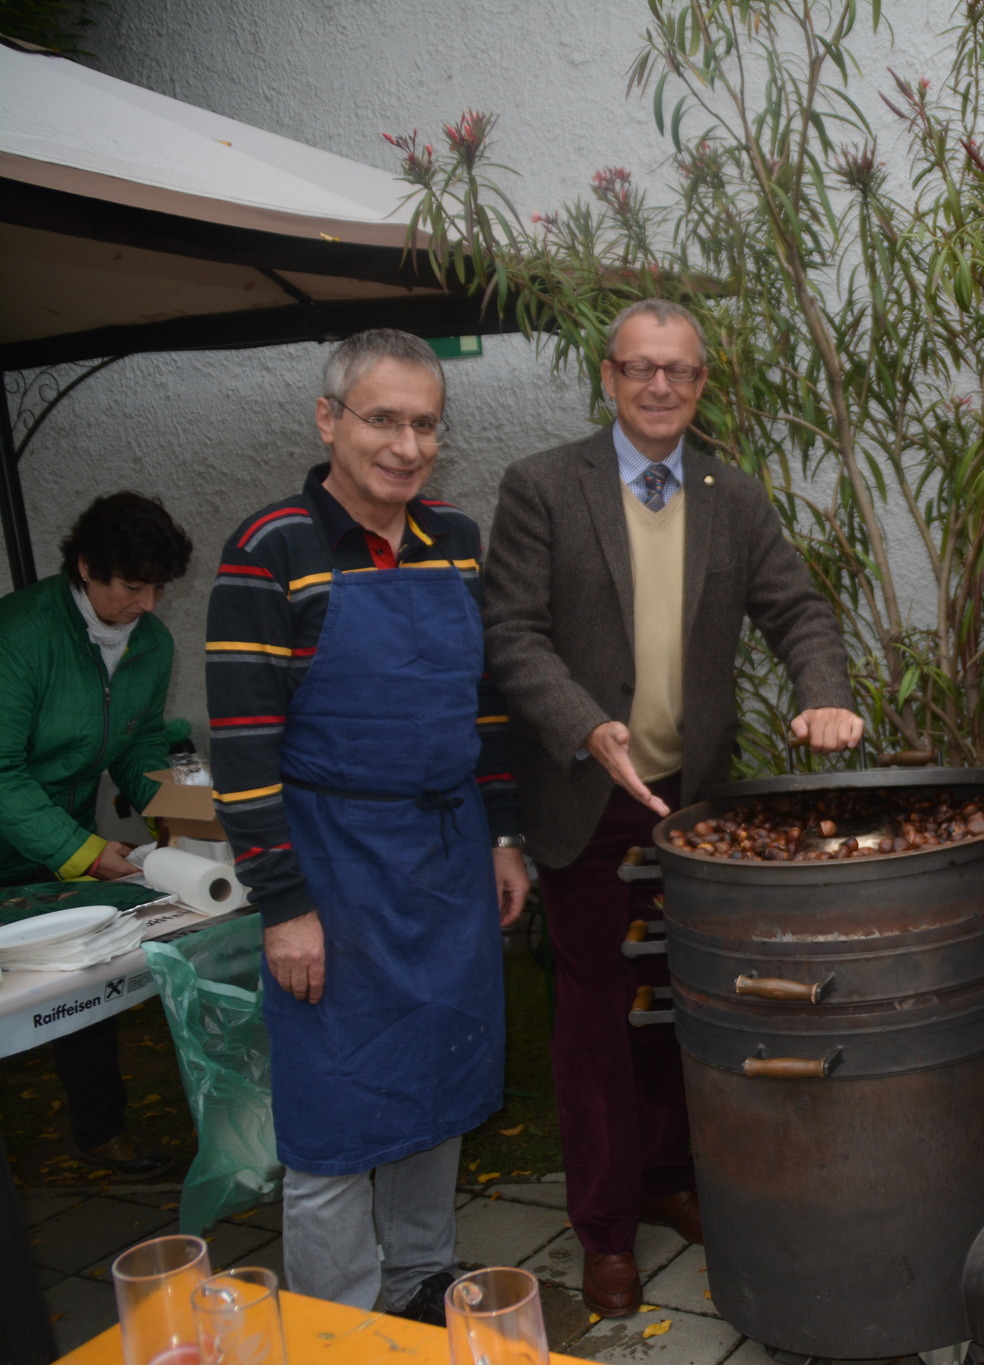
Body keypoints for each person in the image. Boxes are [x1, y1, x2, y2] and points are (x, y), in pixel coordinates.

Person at [483, 298, 861, 1316]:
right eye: (641, 368)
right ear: (607, 376)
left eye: (680, 371)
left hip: (692, 808)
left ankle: (667, 1177)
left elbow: (797, 608)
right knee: (596, 1024)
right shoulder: (541, 486)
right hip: (586, 799)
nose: (660, 386)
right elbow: (511, 633)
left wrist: (823, 690)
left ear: (702, 384)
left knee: (681, 1005)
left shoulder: (731, 494)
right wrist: (583, 724)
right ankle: (604, 1228)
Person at [206, 329, 526, 1322]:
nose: (407, 445)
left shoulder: (455, 538)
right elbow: (242, 749)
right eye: (383, 419)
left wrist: (503, 836)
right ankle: (336, 1320)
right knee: (335, 1104)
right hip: (332, 866)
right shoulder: (270, 549)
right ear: (328, 419)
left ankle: (420, 1278)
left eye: (425, 424)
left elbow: (483, 704)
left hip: (446, 855)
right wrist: (282, 905)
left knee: (441, 1068)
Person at [0, 492, 192, 1178]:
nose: (146, 603)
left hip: (56, 835)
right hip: (32, 828)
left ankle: (101, 1130)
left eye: (158, 588)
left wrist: (180, 818)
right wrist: (81, 851)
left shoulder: (152, 643)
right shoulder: (20, 634)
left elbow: (138, 746)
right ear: (85, 567)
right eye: (132, 586)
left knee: (83, 974)